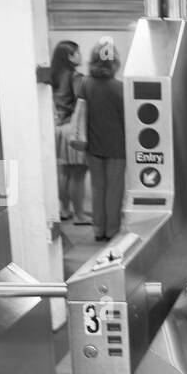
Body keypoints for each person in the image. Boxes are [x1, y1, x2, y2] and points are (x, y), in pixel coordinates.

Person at [77, 38, 126, 242]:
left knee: (98, 189)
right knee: (114, 191)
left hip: (93, 147)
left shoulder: (85, 84)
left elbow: (80, 113)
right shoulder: (120, 87)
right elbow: (126, 120)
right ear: (114, 62)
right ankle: (112, 230)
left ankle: (98, 229)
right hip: (117, 148)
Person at [48, 40, 90, 227]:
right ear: (69, 56)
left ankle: (64, 210)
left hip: (57, 128)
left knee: (63, 173)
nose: (80, 55)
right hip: (73, 129)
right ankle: (80, 215)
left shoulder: (53, 76)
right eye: (77, 53)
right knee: (78, 174)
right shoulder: (76, 77)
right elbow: (81, 103)